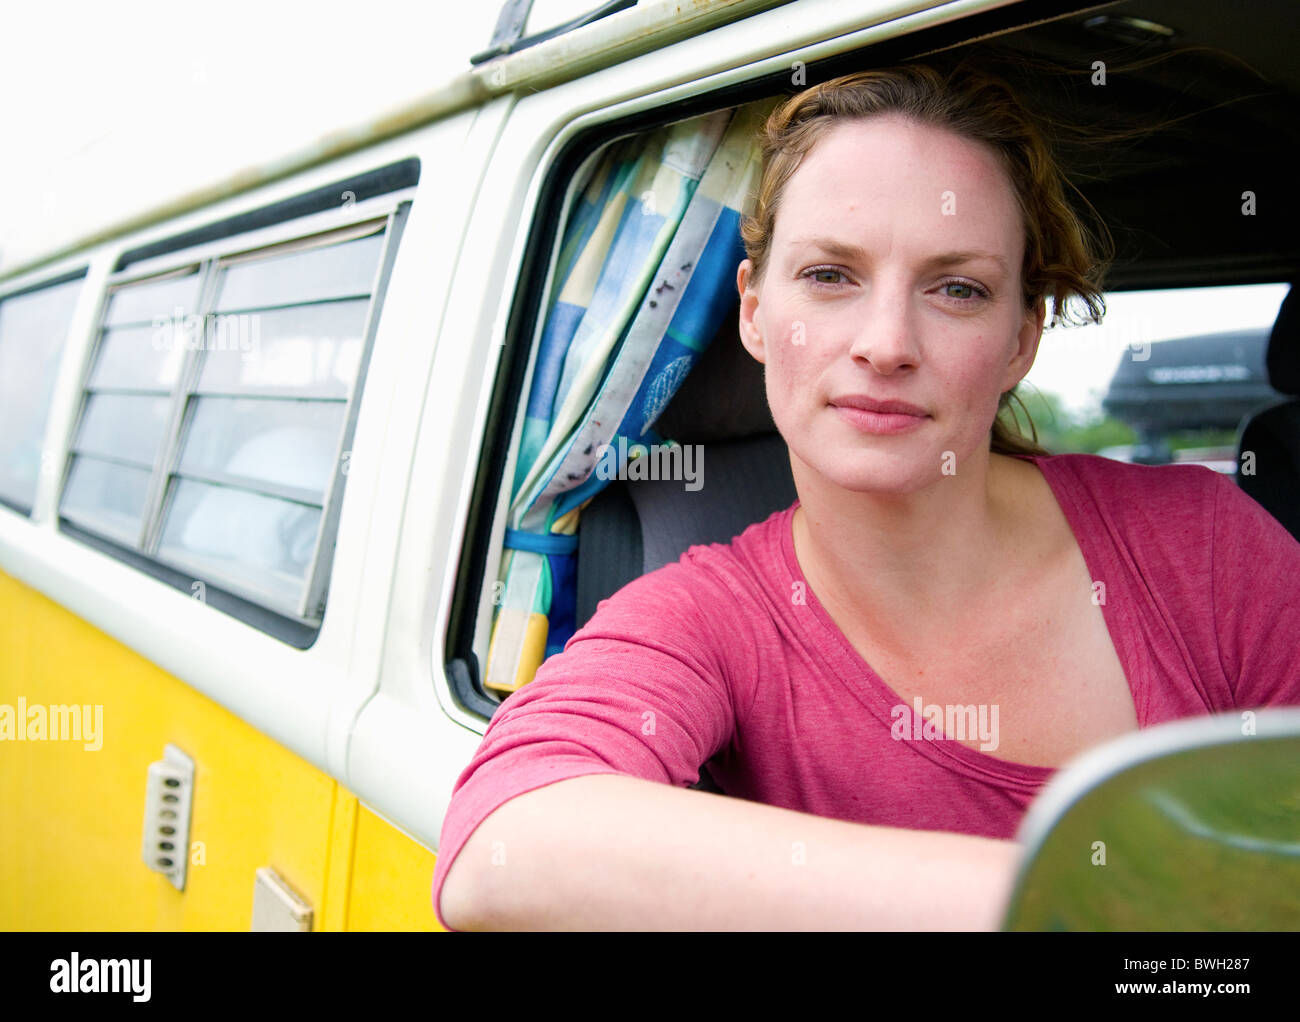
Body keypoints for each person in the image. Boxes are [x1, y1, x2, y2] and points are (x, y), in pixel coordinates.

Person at [431, 59, 1300, 931]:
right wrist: (1091, 903)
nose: (886, 344)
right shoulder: (709, 617)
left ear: (1020, 342)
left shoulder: (1205, 544)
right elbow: (500, 842)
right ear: (754, 313)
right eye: (830, 276)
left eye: (957, 289)